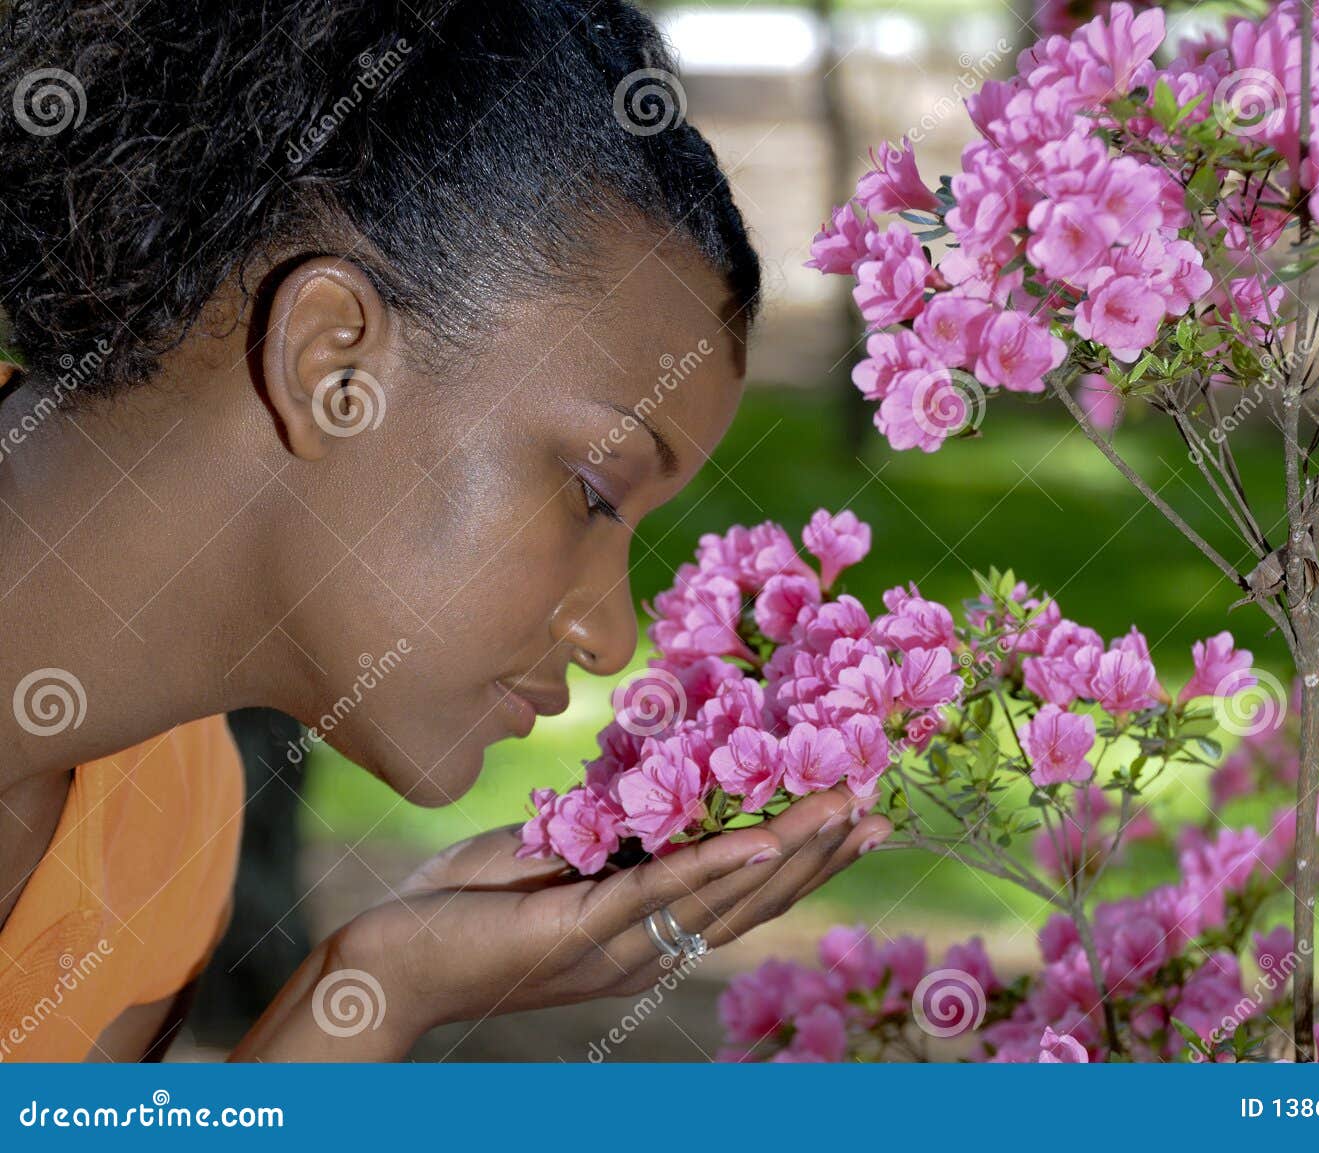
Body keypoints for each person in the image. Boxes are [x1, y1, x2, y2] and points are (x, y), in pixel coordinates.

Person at [0, 0, 889, 1061]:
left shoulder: (169, 824)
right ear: (332, 367)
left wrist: (375, 988)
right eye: (596, 492)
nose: (609, 636)